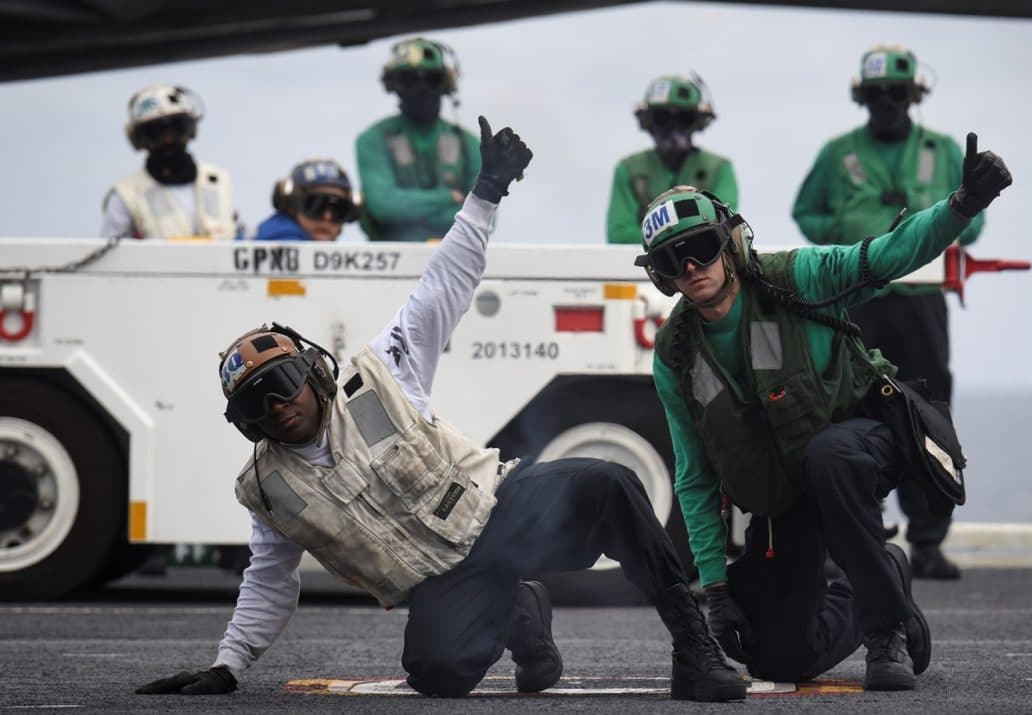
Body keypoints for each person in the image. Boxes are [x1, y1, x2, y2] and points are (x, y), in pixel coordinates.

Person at [134, 117, 747, 703]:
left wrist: (486, 192)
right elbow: (268, 584)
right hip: (443, 575)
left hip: (499, 508)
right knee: (437, 674)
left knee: (611, 481)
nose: (276, 407)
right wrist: (227, 666)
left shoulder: (380, 375)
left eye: (283, 382)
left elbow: (444, 283)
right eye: (254, 403)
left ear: (314, 372)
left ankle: (694, 650)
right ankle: (519, 609)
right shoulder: (271, 489)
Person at [634, 134, 1010, 690]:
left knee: (829, 455)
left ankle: (887, 636)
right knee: (779, 657)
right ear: (661, 275)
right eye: (672, 260)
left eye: (703, 247)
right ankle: (885, 583)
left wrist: (962, 205)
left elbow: (888, 253)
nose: (691, 267)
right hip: (788, 488)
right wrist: (714, 589)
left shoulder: (797, 278)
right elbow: (693, 475)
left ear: (730, 241)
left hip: (864, 443)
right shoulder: (676, 353)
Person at [792, 45, 983, 580]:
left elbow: (975, 214)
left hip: (922, 301)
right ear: (863, 98)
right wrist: (850, 246)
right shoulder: (837, 154)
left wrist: (948, 230)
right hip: (859, 298)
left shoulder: (943, 151)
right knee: (848, 406)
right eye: (877, 95)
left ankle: (927, 540)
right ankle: (859, 531)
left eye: (896, 93)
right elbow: (807, 212)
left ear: (913, 95)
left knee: (928, 410)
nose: (887, 104)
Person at [355, 37, 481, 242]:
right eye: (409, 80)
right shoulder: (373, 140)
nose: (421, 90)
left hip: (456, 263)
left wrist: (410, 213)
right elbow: (382, 205)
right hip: (393, 262)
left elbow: (483, 217)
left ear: (446, 85)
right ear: (394, 86)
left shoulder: (470, 146)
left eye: (431, 79)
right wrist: (447, 198)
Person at [606, 74, 738, 244]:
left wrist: (658, 234)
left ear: (696, 122)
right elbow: (619, 235)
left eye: (683, 118)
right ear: (649, 121)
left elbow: (722, 225)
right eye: (662, 118)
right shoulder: (629, 170)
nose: (672, 128)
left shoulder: (719, 168)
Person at [102, 84, 240, 240]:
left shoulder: (219, 181)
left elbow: (240, 239)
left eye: (177, 128)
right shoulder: (126, 195)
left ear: (190, 130)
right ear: (140, 140)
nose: (168, 139)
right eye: (156, 133)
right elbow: (112, 258)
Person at [252, 159, 362, 242]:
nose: (327, 217)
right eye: (316, 204)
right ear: (293, 206)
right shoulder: (281, 239)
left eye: (338, 208)